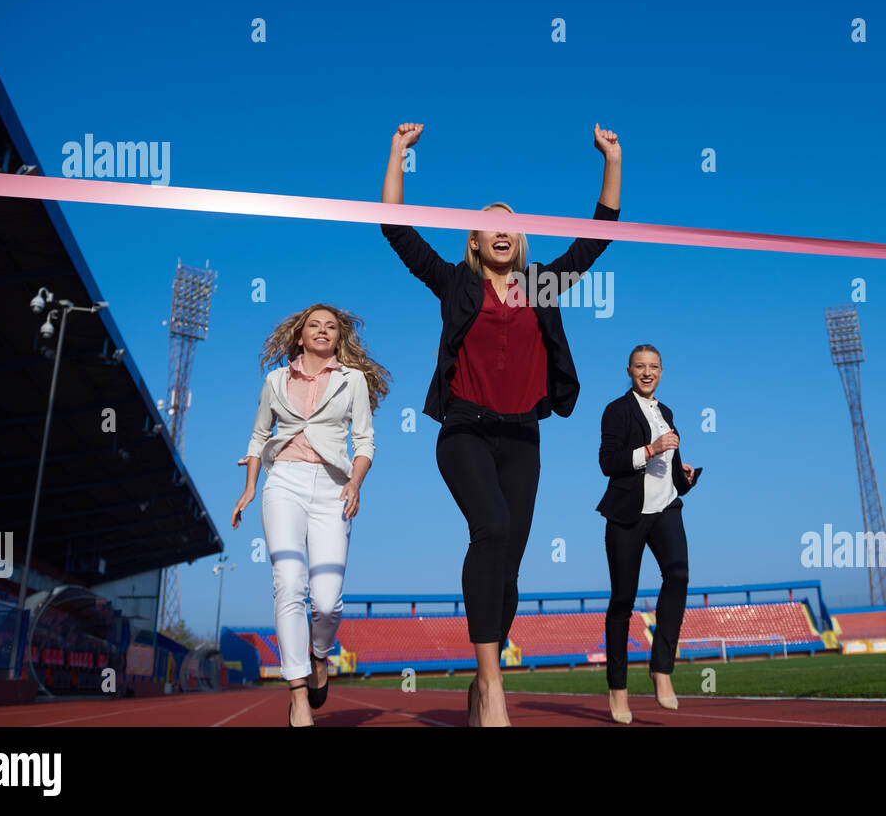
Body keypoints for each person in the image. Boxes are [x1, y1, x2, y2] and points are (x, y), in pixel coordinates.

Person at [380, 121, 621, 726]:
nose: (503, 231)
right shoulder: (454, 284)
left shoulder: (543, 284)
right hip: (463, 429)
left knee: (509, 561)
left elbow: (601, 235)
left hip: (522, 435)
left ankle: (481, 678)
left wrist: (610, 159)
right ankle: (491, 685)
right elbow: (394, 229)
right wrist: (397, 155)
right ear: (474, 242)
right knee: (489, 528)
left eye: (511, 223)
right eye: (490, 224)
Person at [232, 303, 389, 727]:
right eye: (314, 325)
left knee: (326, 600)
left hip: (334, 489)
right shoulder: (275, 380)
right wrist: (250, 487)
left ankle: (320, 654)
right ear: (300, 336)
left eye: (331, 326)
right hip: (283, 482)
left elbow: (365, 440)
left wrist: (355, 483)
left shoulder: (351, 381)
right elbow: (259, 434)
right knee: (287, 583)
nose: (322, 330)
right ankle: (298, 694)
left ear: (339, 337)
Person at [597, 344, 699, 724]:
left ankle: (661, 669)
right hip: (627, 514)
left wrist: (682, 474)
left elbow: (667, 468)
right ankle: (618, 689)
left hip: (667, 509)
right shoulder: (617, 410)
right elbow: (608, 462)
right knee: (623, 600)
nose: (646, 372)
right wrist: (650, 448)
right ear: (629, 370)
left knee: (679, 575)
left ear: (662, 371)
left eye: (653, 366)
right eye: (640, 366)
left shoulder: (666, 412)